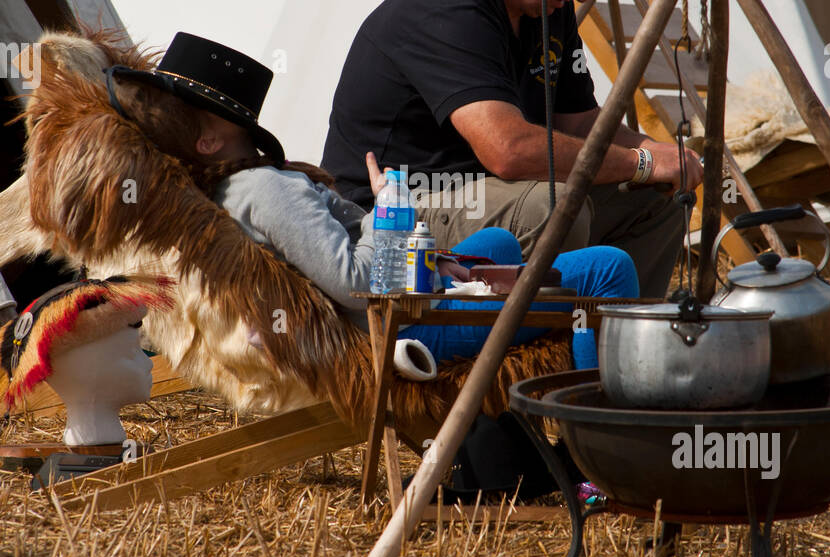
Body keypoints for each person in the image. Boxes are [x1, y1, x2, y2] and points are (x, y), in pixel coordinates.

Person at [104, 32, 639, 371]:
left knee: (497, 241)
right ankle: (596, 452)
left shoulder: (233, 188)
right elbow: (360, 288)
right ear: (209, 141)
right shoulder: (266, 189)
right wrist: (391, 208)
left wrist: (431, 257)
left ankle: (510, 438)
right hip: (391, 331)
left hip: (396, 308)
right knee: (606, 270)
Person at [322, 0, 704, 299]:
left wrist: (651, 152)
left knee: (658, 199)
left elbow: (579, 125)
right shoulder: (447, 8)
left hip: (486, 194)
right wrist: (640, 162)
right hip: (394, 208)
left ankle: (615, 345)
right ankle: (539, 351)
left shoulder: (548, 9)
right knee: (553, 206)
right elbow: (507, 150)